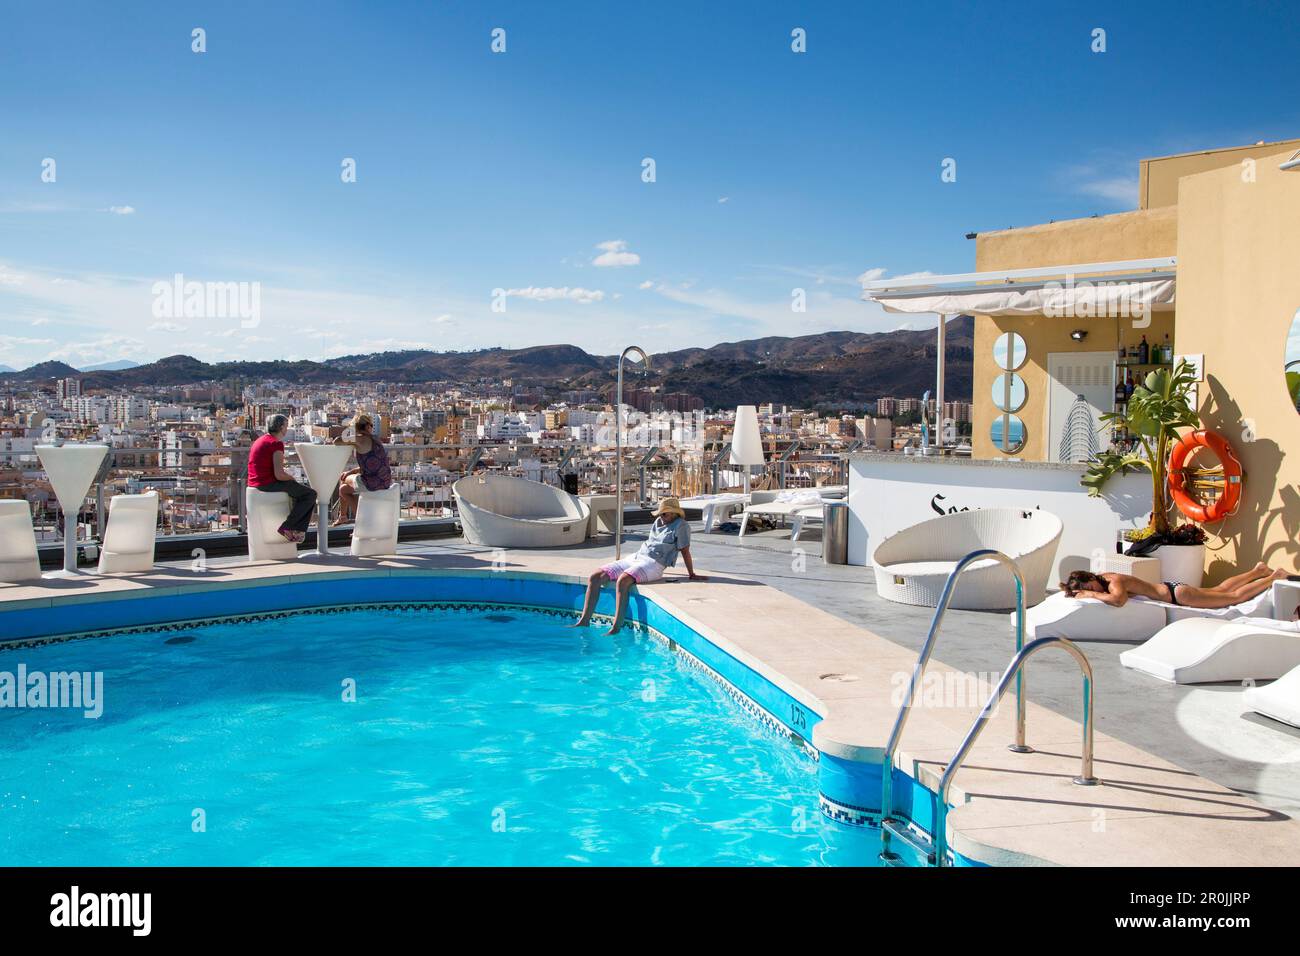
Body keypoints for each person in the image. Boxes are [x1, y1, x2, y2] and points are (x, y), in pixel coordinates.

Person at [571, 497, 706, 636]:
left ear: (674, 513)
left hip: (655, 563)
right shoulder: (659, 521)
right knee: (595, 577)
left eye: (664, 514)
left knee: (623, 581)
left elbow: (685, 550)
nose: (661, 516)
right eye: (660, 513)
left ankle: (616, 627)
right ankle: (584, 621)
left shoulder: (681, 525)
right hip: (638, 556)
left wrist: (691, 573)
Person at [1061, 563, 1289, 609]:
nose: (1096, 591)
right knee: (1221, 589)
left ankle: (1273, 577)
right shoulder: (1104, 577)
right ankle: (1258, 571)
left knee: (1234, 597)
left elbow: (1118, 601)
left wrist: (1092, 595)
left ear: (1091, 578)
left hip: (1178, 595)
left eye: (1092, 587)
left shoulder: (1114, 582)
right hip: (1174, 589)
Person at [247, 414, 317, 544]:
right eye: (286, 425)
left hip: (255, 482)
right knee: (310, 494)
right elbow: (279, 474)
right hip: (267, 483)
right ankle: (289, 527)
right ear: (281, 427)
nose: (287, 428)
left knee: (298, 492)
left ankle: (295, 529)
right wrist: (292, 478)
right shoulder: (276, 444)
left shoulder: (261, 440)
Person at [333, 413, 393, 524]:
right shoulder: (376, 440)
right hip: (385, 481)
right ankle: (344, 517)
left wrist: (351, 430)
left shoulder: (359, 439)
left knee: (342, 477)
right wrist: (351, 472)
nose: (372, 428)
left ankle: (361, 519)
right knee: (343, 490)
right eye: (371, 425)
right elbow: (370, 466)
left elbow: (336, 441)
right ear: (367, 426)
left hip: (371, 483)